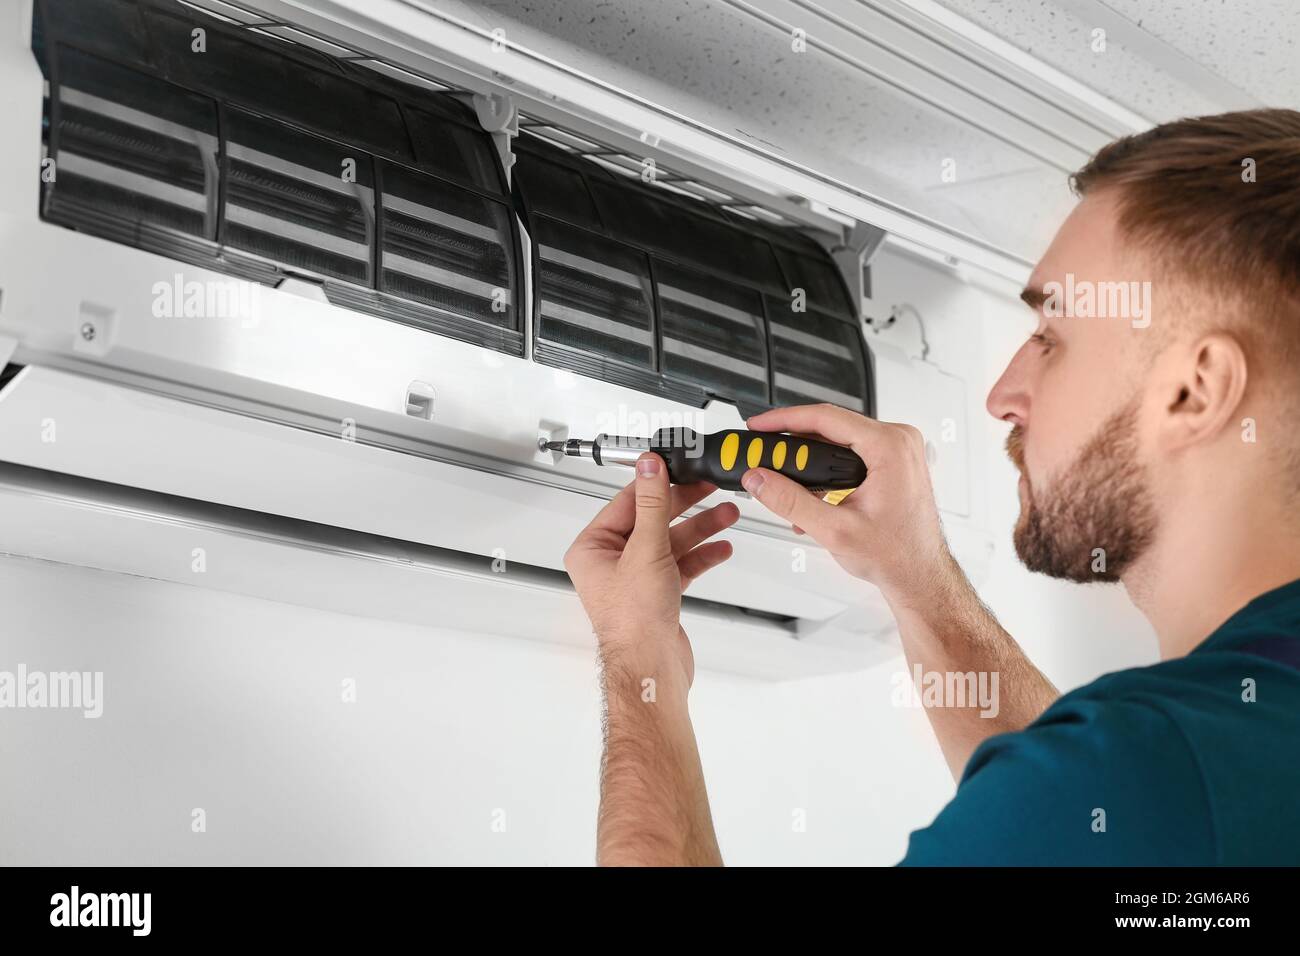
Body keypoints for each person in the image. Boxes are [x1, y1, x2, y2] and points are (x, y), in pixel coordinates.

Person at [563, 109, 1300, 866]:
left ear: (1196, 391)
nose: (1004, 395)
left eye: (1051, 339)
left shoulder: (1148, 774)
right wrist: (915, 575)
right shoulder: (1204, 764)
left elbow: (1105, 804)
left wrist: (637, 663)